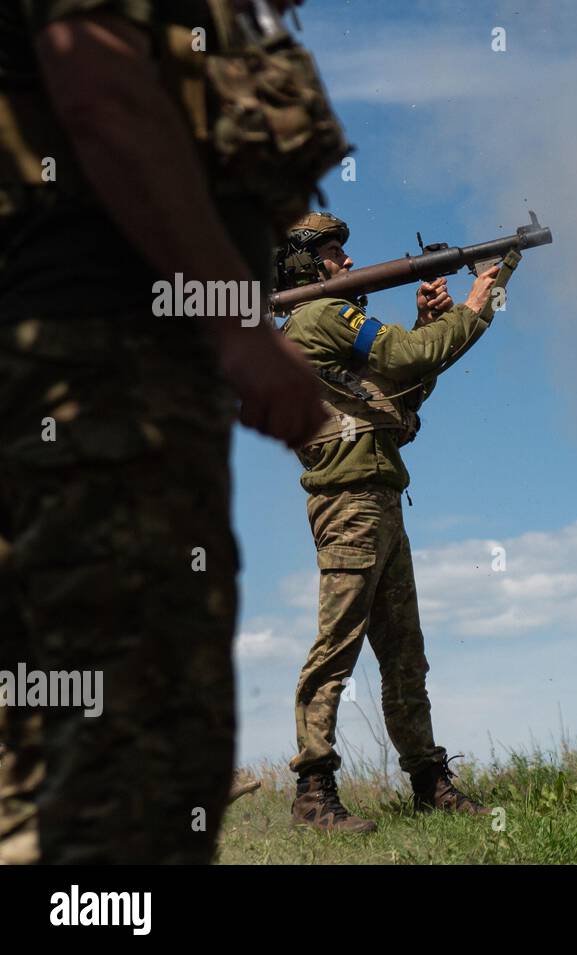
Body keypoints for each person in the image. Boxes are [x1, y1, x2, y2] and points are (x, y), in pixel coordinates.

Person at [0, 0, 340, 863]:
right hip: (101, 367)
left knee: (45, 761)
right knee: (138, 757)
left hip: (85, 372)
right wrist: (235, 321)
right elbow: (101, 93)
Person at [276, 212, 515, 832]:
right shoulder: (321, 316)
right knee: (337, 649)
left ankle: (428, 782)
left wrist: (435, 320)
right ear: (305, 264)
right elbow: (413, 357)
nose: (348, 262)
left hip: (375, 499)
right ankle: (312, 794)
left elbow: (401, 393)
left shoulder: (323, 325)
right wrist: (479, 301)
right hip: (350, 503)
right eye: (334, 253)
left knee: (405, 655)